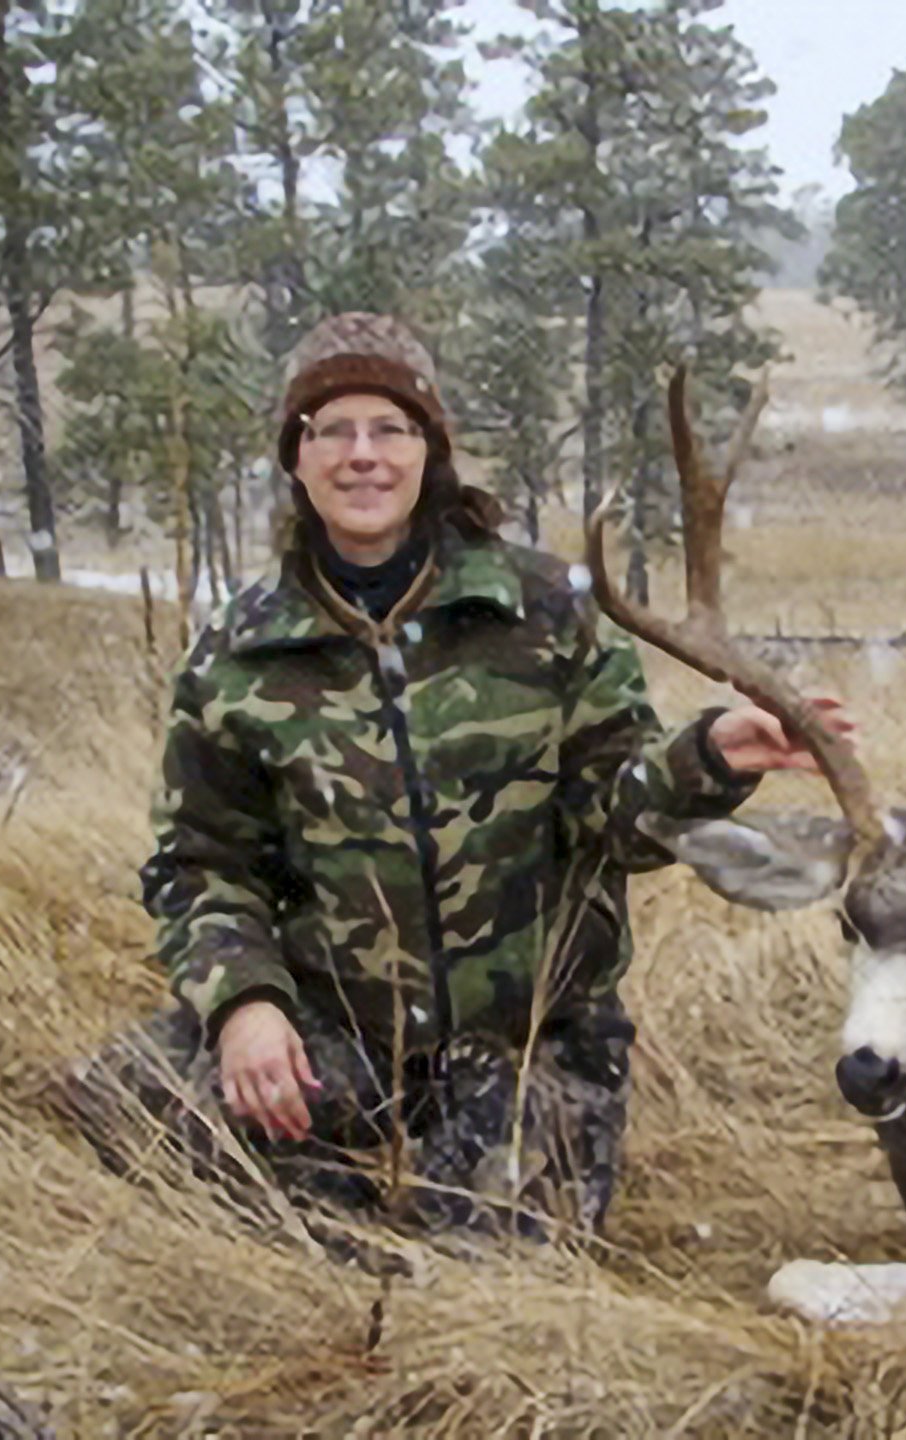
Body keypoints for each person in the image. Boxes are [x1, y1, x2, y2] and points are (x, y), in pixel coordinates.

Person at [64, 313, 848, 1245]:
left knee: (472, 1268)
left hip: (525, 1045)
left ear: (428, 450)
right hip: (339, 1034)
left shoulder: (541, 612)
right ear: (297, 457)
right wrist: (244, 1005)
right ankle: (333, 1183)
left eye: (390, 429)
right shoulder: (238, 655)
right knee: (114, 1106)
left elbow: (613, 820)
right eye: (332, 430)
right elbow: (201, 865)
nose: (363, 455)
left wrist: (707, 757)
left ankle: (399, 1193)